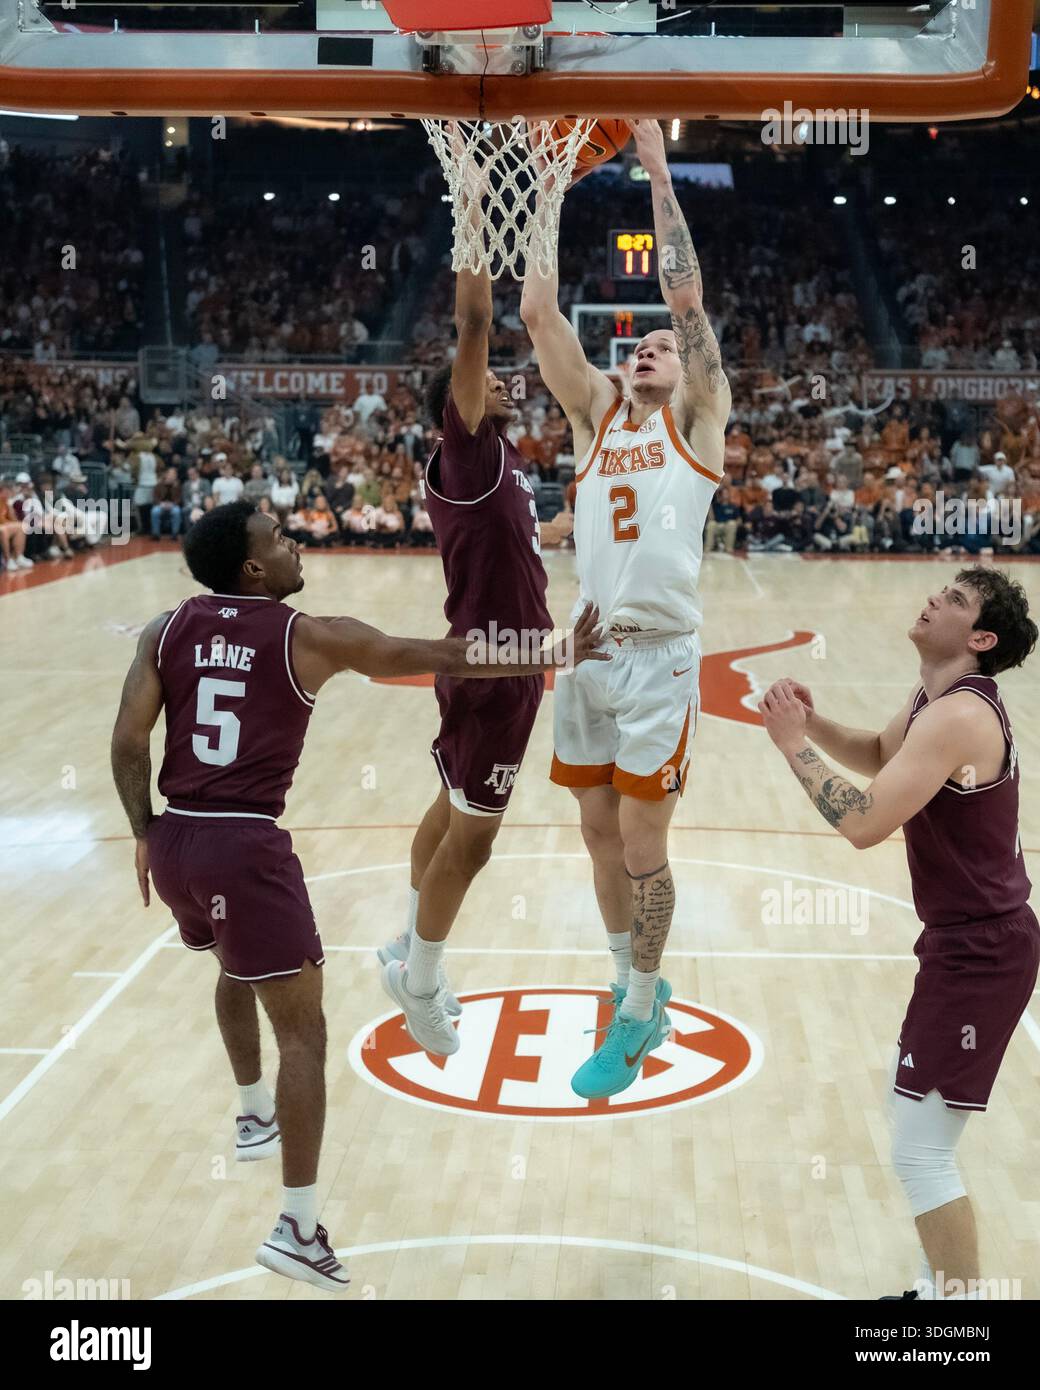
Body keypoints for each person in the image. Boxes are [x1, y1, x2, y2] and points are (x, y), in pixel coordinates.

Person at [110, 501, 604, 1293]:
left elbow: (129, 739)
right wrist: (547, 649)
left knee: (234, 971)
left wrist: (142, 830)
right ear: (254, 570)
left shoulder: (165, 630)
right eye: (280, 539)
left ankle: (249, 1112)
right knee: (304, 1037)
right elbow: (425, 650)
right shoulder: (309, 634)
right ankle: (298, 1228)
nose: (296, 542)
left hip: (176, 845)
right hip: (245, 847)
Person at [758, 568, 1038, 1301]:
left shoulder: (960, 716)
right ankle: (938, 1286)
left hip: (984, 950)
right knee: (908, 1108)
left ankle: (962, 1315)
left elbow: (861, 821)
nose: (934, 599)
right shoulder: (933, 700)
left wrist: (792, 747)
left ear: (980, 639)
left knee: (921, 1151)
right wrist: (814, 724)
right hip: (962, 942)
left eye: (955, 600)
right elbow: (882, 759)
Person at [520, 118, 728, 1098]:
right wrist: (545, 179)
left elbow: (683, 297)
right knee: (597, 837)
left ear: (684, 372)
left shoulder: (698, 421)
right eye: (636, 344)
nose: (648, 347)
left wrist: (652, 168)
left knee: (645, 849)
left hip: (659, 663)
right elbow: (534, 314)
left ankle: (643, 1009)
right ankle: (622, 982)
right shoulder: (596, 418)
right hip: (589, 655)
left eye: (660, 346)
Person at [376, 177, 575, 1057]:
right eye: (487, 381)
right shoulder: (464, 452)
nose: (502, 381)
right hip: (496, 662)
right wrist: (476, 214)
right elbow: (473, 326)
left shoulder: (502, 465)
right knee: (478, 841)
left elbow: (540, 533)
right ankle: (420, 980)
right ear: (456, 406)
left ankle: (403, 948)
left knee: (449, 803)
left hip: (500, 657)